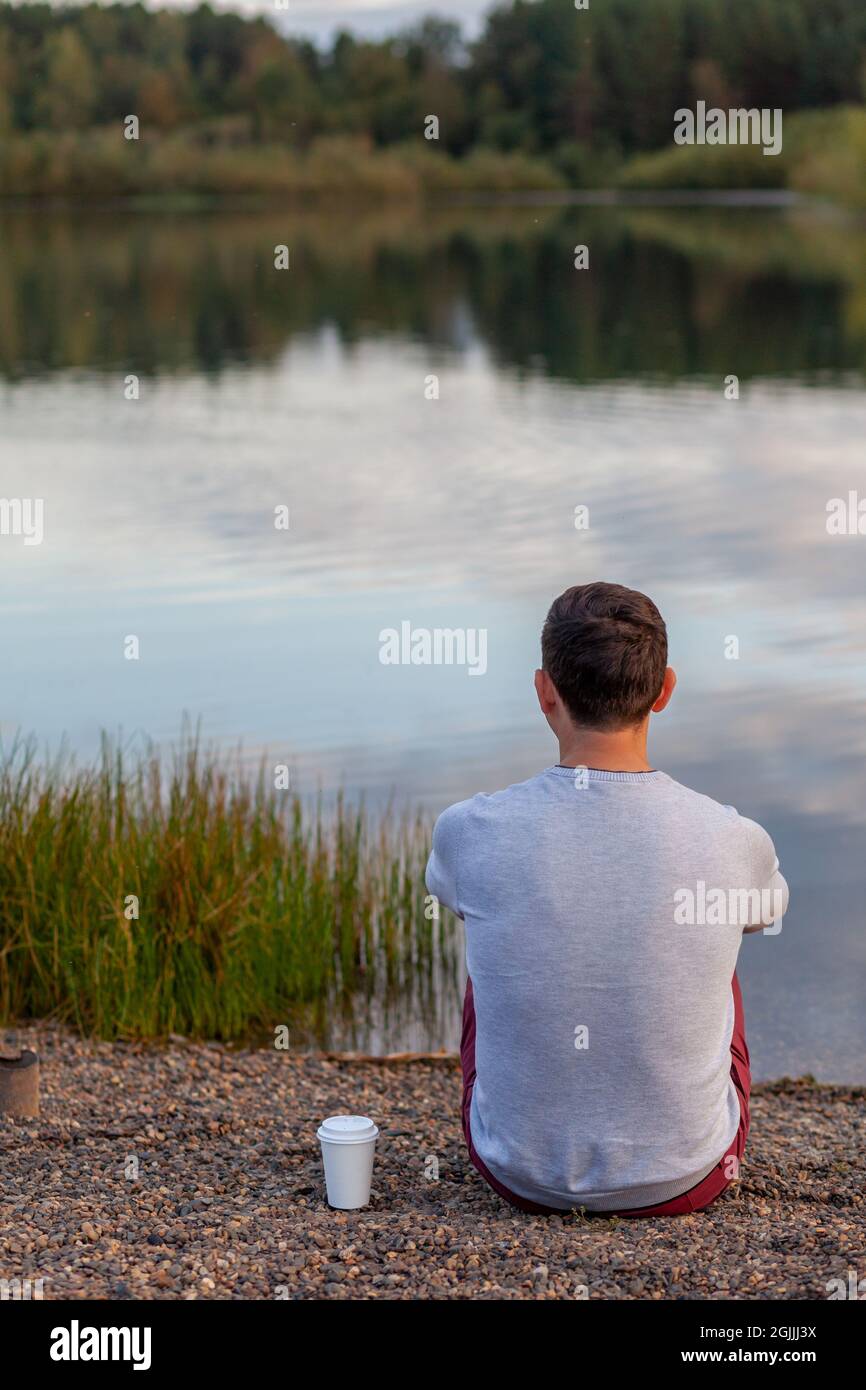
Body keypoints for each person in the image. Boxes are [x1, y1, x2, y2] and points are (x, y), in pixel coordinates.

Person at [425, 582, 788, 1216]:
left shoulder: (469, 831)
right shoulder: (733, 839)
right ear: (665, 689)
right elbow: (766, 912)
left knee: (494, 944)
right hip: (687, 1178)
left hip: (514, 1173)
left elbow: (463, 902)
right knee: (717, 939)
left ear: (544, 692)